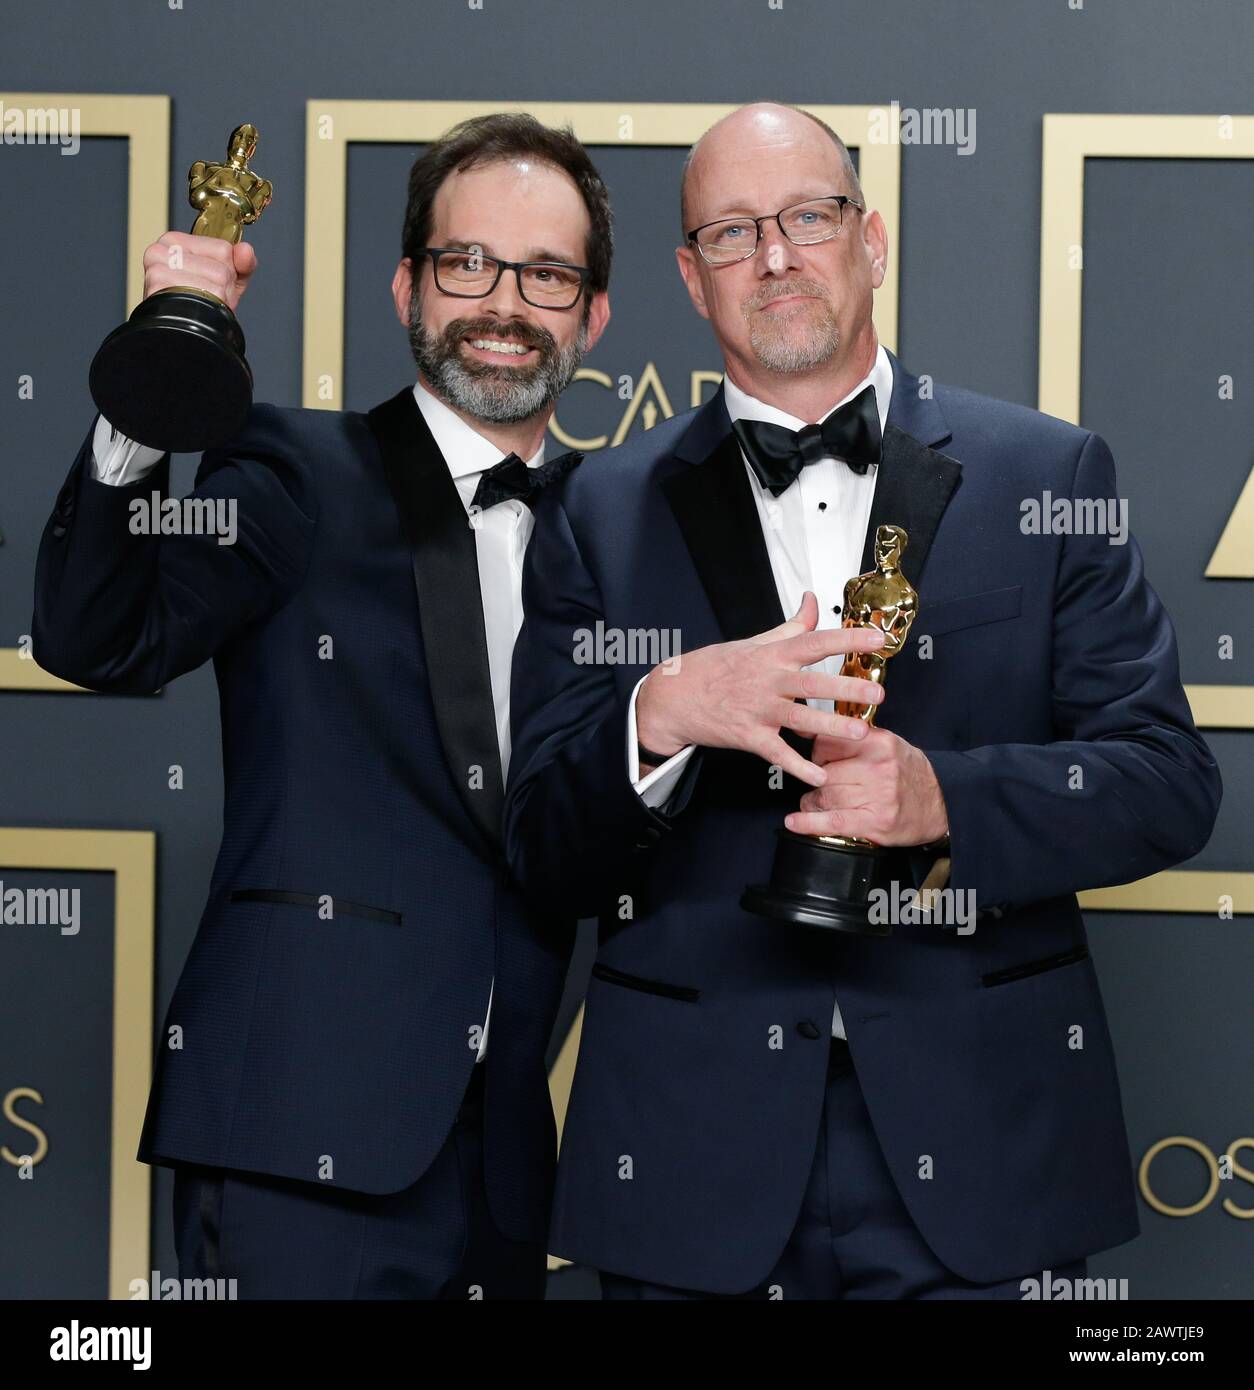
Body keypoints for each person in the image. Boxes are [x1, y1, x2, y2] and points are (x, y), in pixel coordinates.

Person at [503, 101, 1221, 1299]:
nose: (775, 255)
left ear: (871, 240)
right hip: (691, 1165)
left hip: (987, 1152)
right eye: (731, 233)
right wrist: (663, 712)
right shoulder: (595, 506)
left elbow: (1165, 783)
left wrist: (942, 794)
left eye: (808, 217)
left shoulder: (1047, 474)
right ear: (691, 277)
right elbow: (540, 847)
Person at [32, 112, 611, 1299]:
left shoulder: (618, 527)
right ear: (408, 286)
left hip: (507, 1166)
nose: (505, 301)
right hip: (297, 1147)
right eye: (468, 263)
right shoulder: (298, 470)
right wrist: (154, 382)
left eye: (547, 273)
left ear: (593, 313)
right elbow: (101, 637)